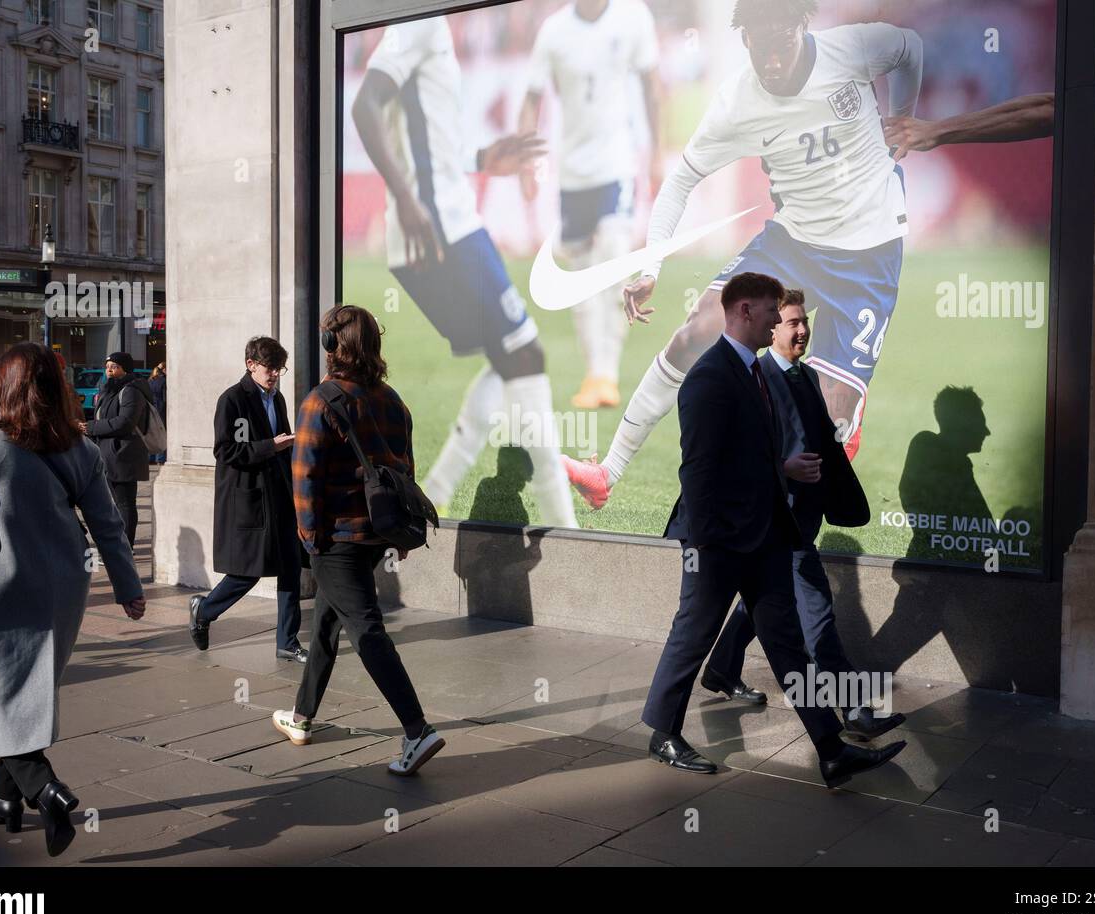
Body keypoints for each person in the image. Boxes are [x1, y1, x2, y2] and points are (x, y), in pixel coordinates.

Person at [563, 0, 923, 510]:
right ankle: (608, 470)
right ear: (745, 40)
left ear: (802, 27)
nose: (772, 60)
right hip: (794, 241)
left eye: (781, 44)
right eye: (760, 47)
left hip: (869, 253)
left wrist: (902, 119)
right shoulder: (738, 102)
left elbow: (911, 48)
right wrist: (651, 269)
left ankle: (834, 433)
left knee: (821, 430)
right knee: (698, 329)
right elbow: (680, 181)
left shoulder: (853, 49)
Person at [640, 272, 904, 786]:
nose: (778, 322)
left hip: (762, 535)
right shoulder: (710, 376)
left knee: (787, 646)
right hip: (716, 540)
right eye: (769, 312)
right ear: (742, 312)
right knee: (692, 635)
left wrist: (779, 476)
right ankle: (663, 732)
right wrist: (707, 541)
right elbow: (698, 468)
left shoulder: (758, 374)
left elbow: (754, 455)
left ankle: (831, 749)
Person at [352, 15, 578, 528]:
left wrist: (481, 156)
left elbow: (425, 143)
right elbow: (364, 107)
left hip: (430, 231)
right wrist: (409, 202)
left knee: (509, 357)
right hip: (441, 231)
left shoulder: (431, 33)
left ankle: (436, 488)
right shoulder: (419, 24)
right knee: (525, 352)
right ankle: (564, 524)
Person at [0, 343, 145, 857]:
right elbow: (109, 527)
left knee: (1, 696)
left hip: (5, 588)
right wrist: (128, 587)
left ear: (2, 389)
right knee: (25, 693)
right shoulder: (80, 449)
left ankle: (47, 791)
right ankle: (3, 803)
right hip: (65, 588)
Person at [703, 289, 905, 738]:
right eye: (791, 322)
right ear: (770, 327)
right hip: (779, 525)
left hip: (804, 520)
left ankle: (720, 667)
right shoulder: (757, 381)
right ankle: (854, 711)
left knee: (762, 602)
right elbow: (736, 457)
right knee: (817, 616)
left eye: (803, 322)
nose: (801, 330)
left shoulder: (807, 376)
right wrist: (784, 469)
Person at [273, 304, 443, 776]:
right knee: (327, 623)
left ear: (332, 346)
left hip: (336, 538)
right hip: (374, 536)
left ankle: (417, 730)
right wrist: (401, 535)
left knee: (366, 630)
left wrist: (309, 537)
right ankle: (303, 717)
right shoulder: (393, 401)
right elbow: (404, 472)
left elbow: (304, 477)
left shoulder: (318, 401)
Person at [518, 0, 661, 409]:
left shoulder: (634, 17)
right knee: (580, 275)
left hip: (616, 166)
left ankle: (608, 374)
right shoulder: (554, 31)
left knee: (614, 261)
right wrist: (526, 162)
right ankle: (594, 374)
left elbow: (653, 86)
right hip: (573, 173)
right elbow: (531, 99)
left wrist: (656, 153)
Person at [189, 338, 308, 664]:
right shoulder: (232, 400)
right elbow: (226, 451)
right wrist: (271, 445)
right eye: (269, 368)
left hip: (280, 494)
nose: (274, 375)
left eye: (279, 368)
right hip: (249, 497)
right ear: (250, 364)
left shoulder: (277, 398)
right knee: (248, 571)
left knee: (290, 566)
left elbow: (283, 445)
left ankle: (287, 640)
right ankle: (205, 609)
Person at [79, 351, 151, 547]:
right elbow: (105, 417)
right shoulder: (107, 389)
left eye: (115, 366)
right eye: (107, 366)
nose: (109, 370)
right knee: (116, 503)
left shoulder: (131, 390)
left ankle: (126, 546)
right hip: (109, 453)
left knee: (125, 503)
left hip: (124, 454)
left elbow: (125, 422)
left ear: (125, 369)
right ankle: (118, 544)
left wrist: (91, 427)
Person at [148, 363, 167, 464]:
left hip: (152, 409)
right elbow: (165, 398)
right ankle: (161, 458)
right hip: (161, 409)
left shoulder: (150, 380)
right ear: (164, 369)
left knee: (152, 433)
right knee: (161, 434)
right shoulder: (164, 381)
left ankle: (151, 458)